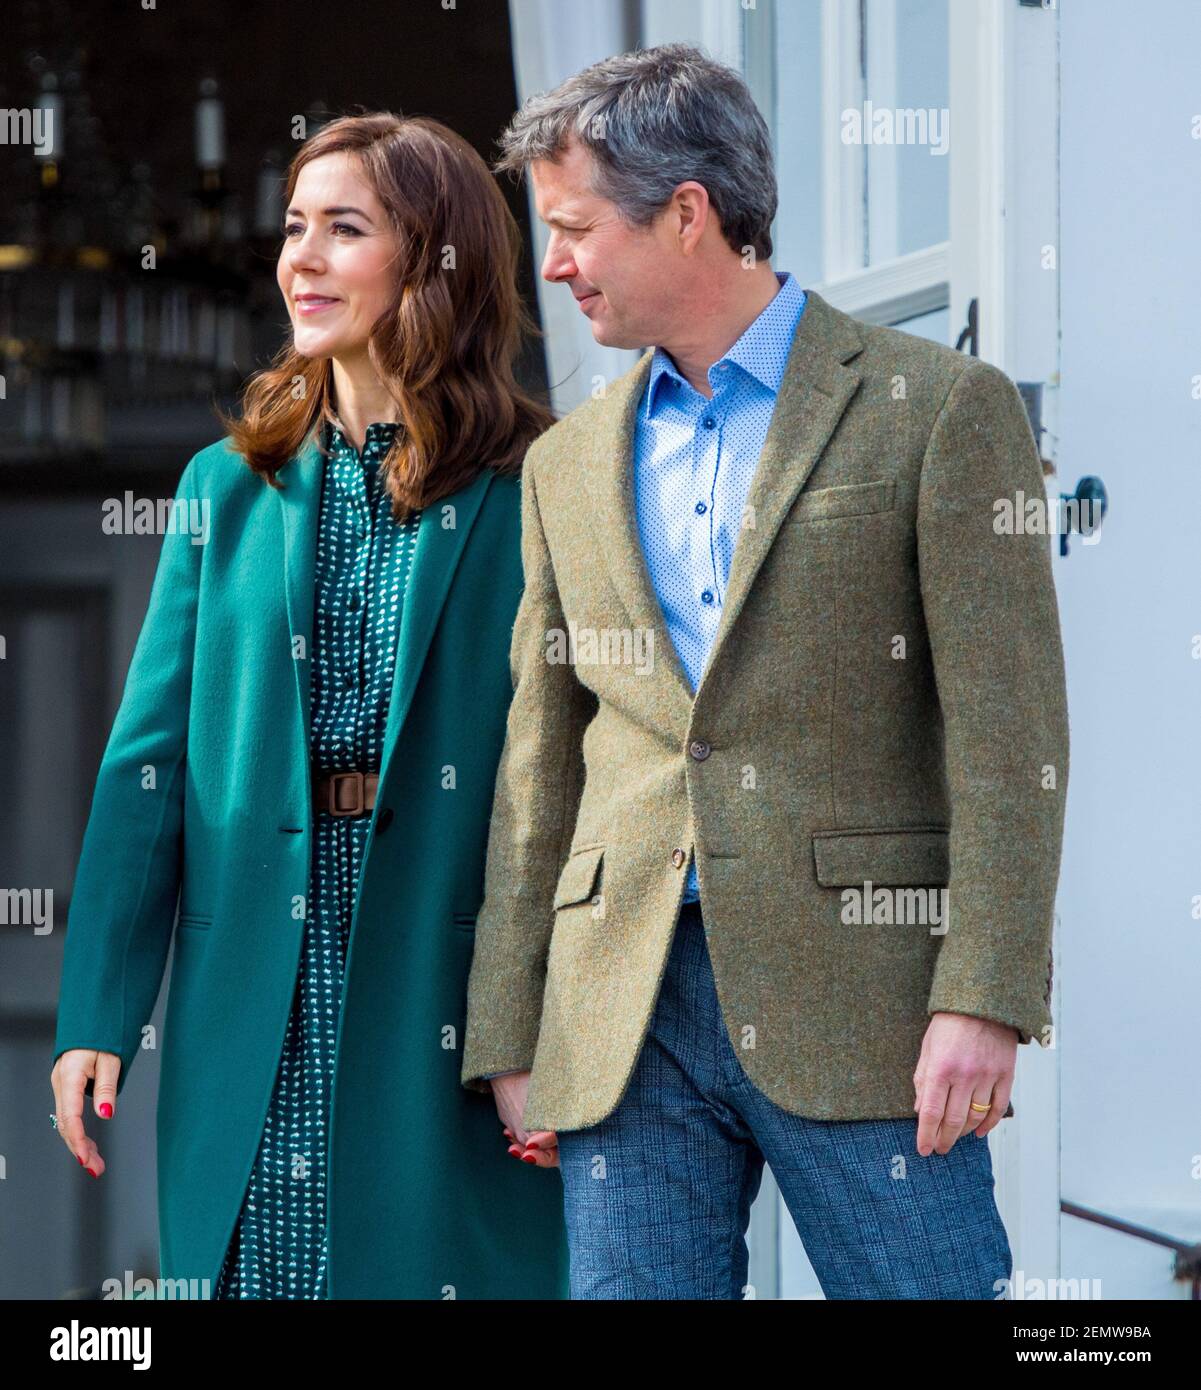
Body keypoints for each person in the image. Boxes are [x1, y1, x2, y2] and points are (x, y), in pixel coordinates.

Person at [461, 44, 1069, 1299]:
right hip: (620, 1011)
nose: (555, 263)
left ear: (686, 214)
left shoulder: (939, 408)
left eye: (574, 228)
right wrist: (512, 1026)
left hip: (871, 1001)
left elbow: (1008, 730)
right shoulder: (564, 465)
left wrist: (987, 992)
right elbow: (541, 759)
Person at [51, 111, 568, 1300]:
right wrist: (99, 1009)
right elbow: (149, 765)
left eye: (346, 229)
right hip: (252, 973)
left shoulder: (537, 484)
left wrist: (543, 1019)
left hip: (449, 975)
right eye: (295, 228)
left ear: (435, 261)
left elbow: (580, 779)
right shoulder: (223, 487)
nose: (303, 258)